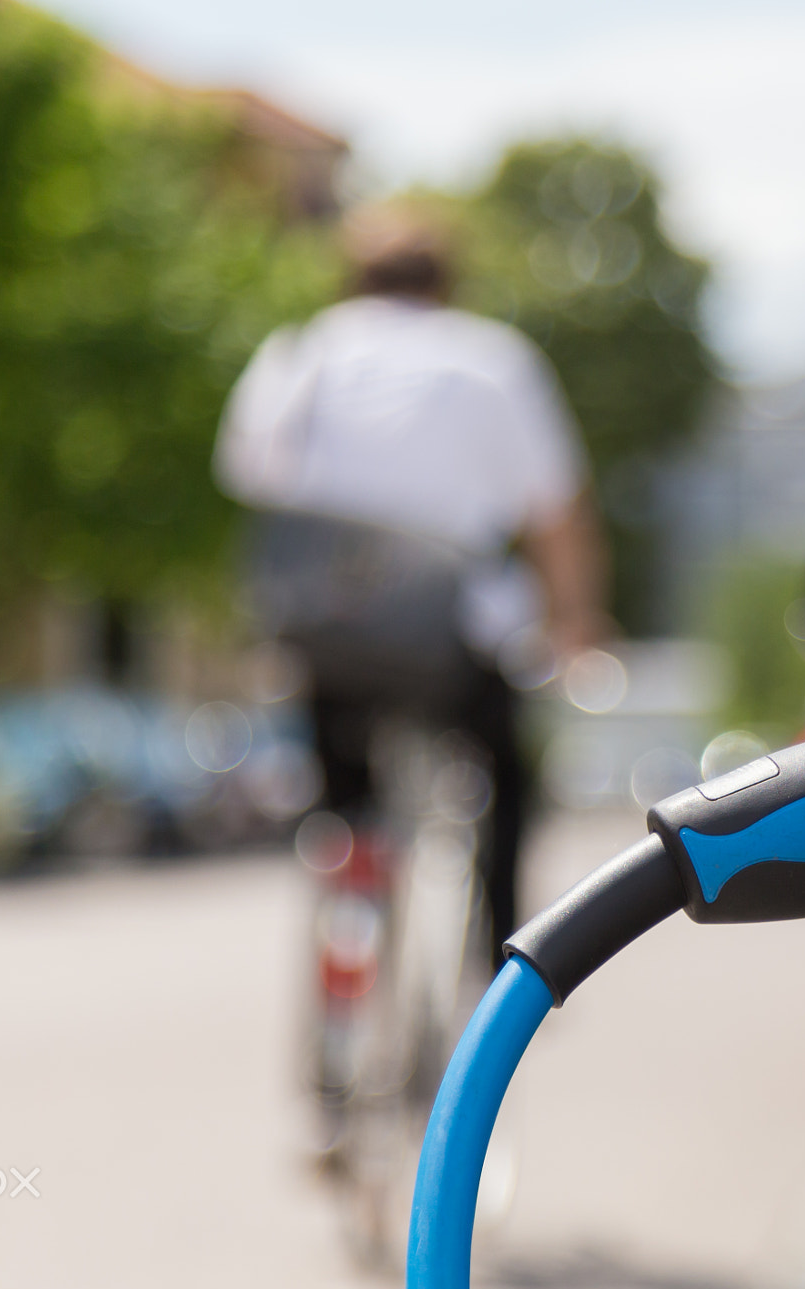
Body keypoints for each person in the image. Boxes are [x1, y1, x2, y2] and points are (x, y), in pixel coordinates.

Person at [216, 203, 609, 962]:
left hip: (332, 626)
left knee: (342, 788)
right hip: (451, 632)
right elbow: (558, 511)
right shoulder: (492, 360)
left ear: (351, 279)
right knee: (505, 782)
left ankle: (349, 901)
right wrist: (576, 619)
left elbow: (247, 469)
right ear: (447, 281)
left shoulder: (304, 353)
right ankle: (501, 962)